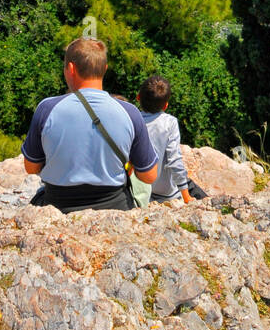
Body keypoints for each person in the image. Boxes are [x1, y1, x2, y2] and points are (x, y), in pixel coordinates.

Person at [22, 38, 158, 213]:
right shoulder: (130, 113)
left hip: (58, 206)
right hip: (113, 208)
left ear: (71, 69)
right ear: (105, 69)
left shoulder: (46, 109)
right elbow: (149, 176)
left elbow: (31, 167)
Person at [137, 74, 190, 205]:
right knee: (196, 189)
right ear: (165, 105)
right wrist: (187, 197)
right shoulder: (170, 123)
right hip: (166, 193)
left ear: (138, 98)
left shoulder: (133, 119)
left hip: (139, 190)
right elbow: (175, 160)